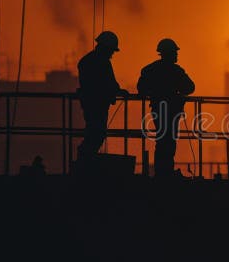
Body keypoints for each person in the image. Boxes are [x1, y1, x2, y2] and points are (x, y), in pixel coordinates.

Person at [137, 38, 195, 179]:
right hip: (172, 111)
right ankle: (165, 173)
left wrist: (155, 92)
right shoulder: (176, 71)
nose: (176, 55)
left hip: (158, 110)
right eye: (175, 52)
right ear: (169, 53)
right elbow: (190, 87)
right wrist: (177, 93)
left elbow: (141, 89)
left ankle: (162, 173)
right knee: (168, 142)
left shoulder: (150, 70)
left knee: (162, 141)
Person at [76, 31, 128, 165]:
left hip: (90, 103)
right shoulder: (102, 62)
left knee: (93, 133)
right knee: (97, 134)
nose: (112, 54)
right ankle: (85, 161)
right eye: (111, 50)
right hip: (98, 104)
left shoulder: (86, 61)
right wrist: (119, 91)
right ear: (107, 48)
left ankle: (84, 160)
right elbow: (110, 82)